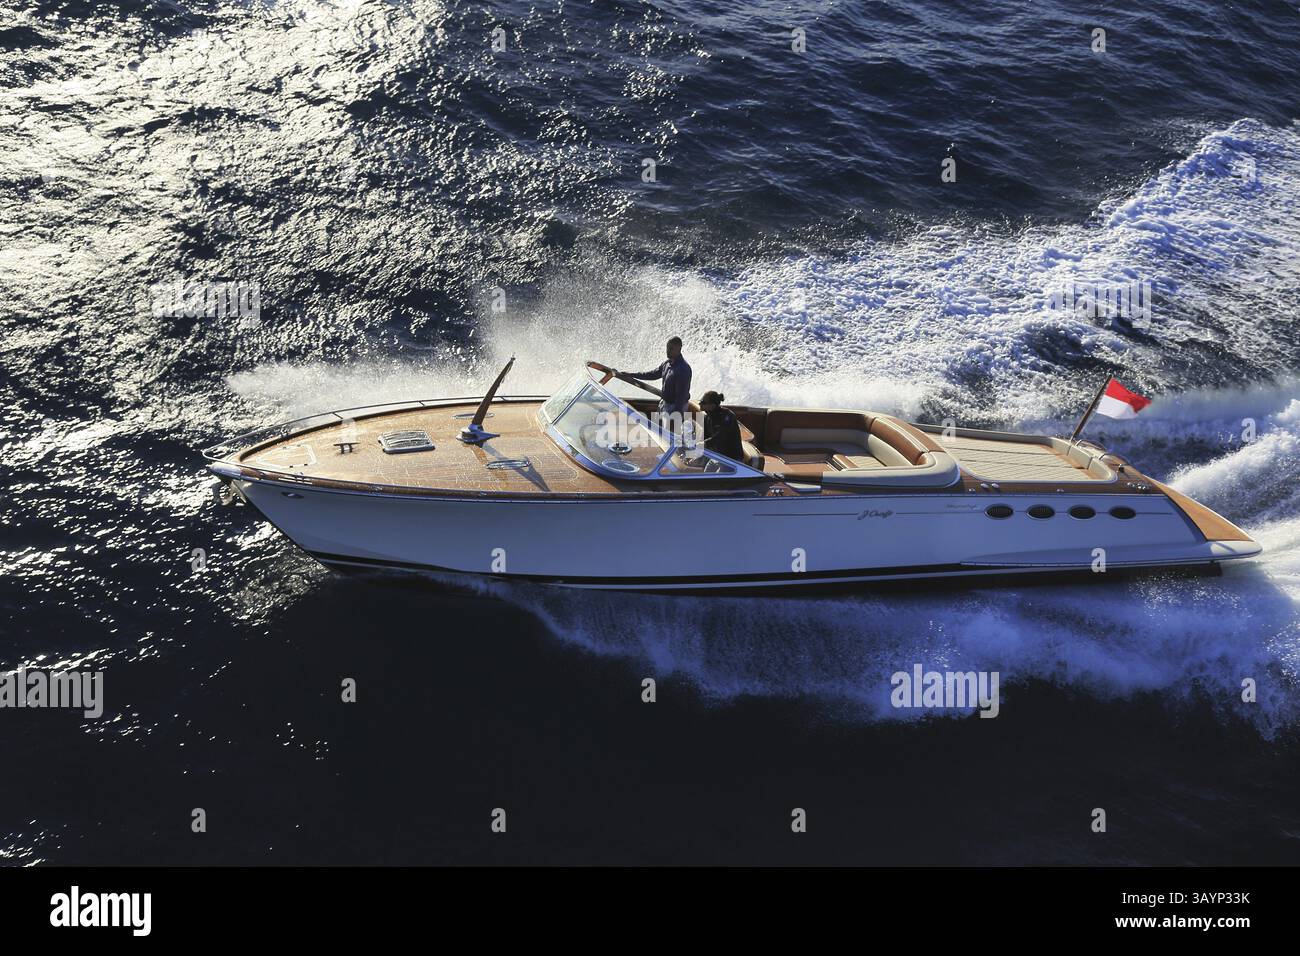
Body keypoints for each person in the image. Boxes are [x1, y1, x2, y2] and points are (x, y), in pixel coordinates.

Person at [612, 336, 692, 426]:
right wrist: (631, 374)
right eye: (667, 347)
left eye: (671, 348)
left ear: (679, 349)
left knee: (667, 432)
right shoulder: (666, 364)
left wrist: (676, 417)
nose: (668, 350)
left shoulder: (683, 369)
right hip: (664, 403)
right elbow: (652, 374)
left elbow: (681, 397)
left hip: (674, 408)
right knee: (657, 429)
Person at [698, 390, 744, 462]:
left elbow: (721, 436)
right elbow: (704, 437)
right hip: (718, 456)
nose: (700, 403)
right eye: (700, 401)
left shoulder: (727, 416)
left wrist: (705, 443)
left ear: (712, 405)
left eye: (703, 402)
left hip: (732, 459)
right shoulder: (707, 418)